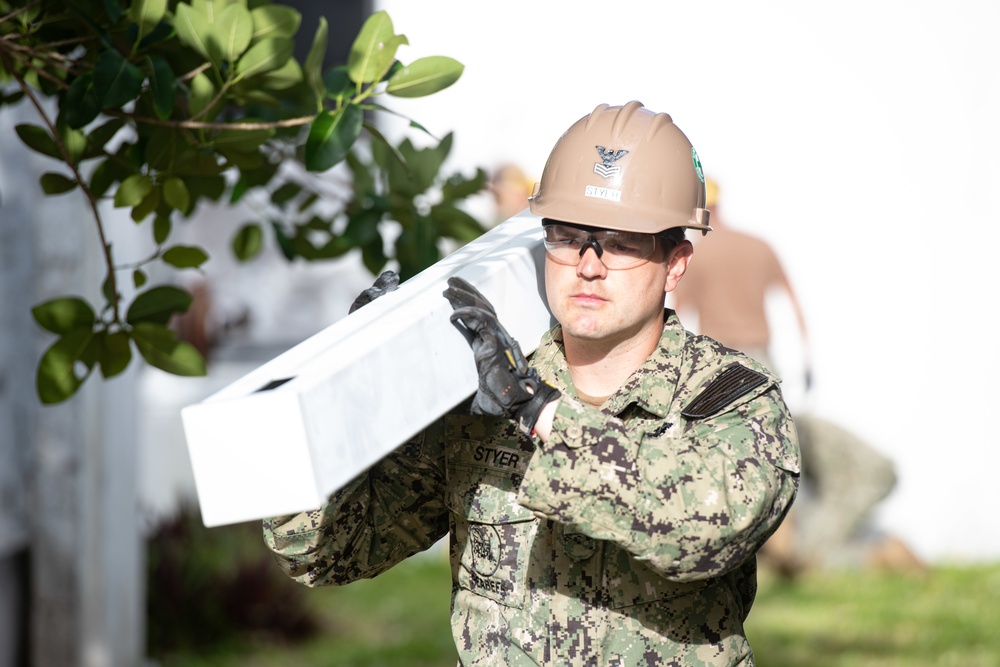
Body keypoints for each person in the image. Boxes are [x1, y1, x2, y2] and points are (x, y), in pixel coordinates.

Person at [263, 101, 800, 666]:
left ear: (675, 263)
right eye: (568, 236)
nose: (589, 265)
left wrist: (540, 411)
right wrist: (343, 402)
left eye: (620, 243)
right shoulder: (481, 399)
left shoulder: (729, 399)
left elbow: (705, 530)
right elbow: (327, 552)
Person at [673, 180, 912, 574]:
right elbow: (792, 302)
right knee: (776, 447)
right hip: (764, 362)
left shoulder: (696, 255)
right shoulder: (758, 245)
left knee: (731, 452)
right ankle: (797, 546)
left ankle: (781, 549)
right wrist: (806, 362)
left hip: (721, 364)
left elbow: (679, 312)